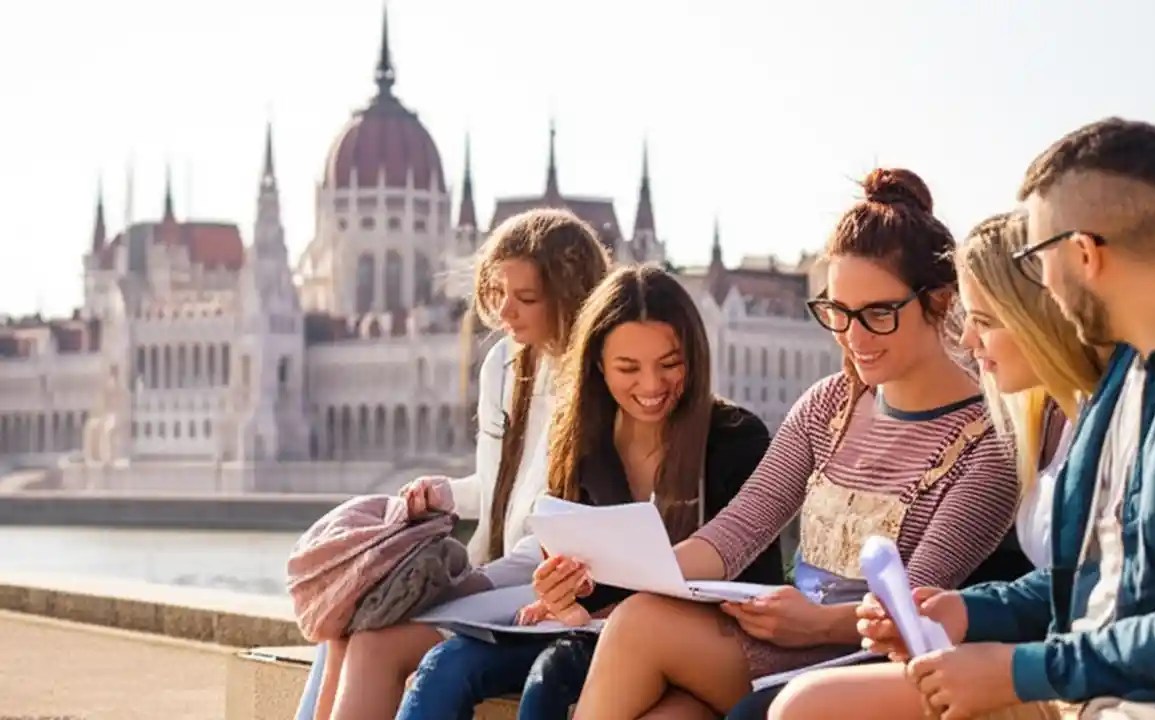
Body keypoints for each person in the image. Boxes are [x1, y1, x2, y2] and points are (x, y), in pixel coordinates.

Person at [558, 168, 1022, 719]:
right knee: (654, 670)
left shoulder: (987, 441)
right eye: (837, 313)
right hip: (779, 645)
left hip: (867, 667)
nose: (854, 338)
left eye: (878, 314)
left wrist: (816, 623)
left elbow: (919, 600)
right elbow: (737, 531)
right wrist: (601, 572)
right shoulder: (830, 403)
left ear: (940, 301)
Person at [860, 118, 1155, 720]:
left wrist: (1021, 671)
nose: (1042, 287)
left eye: (1037, 256)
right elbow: (1095, 579)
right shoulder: (1130, 377)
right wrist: (968, 611)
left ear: (1084, 253)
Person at [393, 264, 785, 720]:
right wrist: (558, 592)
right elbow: (575, 575)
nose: (652, 386)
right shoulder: (580, 437)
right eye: (628, 368)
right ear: (598, 364)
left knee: (553, 675)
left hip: (700, 644)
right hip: (586, 630)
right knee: (447, 663)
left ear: (694, 358)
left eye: (670, 364)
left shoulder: (736, 438)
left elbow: (755, 584)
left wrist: (604, 613)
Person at [765, 210, 1105, 719]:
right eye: (839, 311)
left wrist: (1008, 658)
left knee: (801, 706)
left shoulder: (1021, 430)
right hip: (1050, 661)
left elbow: (1119, 592)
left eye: (984, 320)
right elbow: (1068, 583)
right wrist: (967, 610)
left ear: (1038, 316)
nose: (967, 338)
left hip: (1078, 677)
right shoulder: (1038, 415)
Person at [300, 208, 610, 720]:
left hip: (544, 589)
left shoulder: (595, 379)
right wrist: (445, 494)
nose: (506, 312)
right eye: (498, 293)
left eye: (526, 298)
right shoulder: (503, 365)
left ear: (570, 296)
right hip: (496, 571)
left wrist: (472, 581)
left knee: (375, 639)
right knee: (345, 625)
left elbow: (560, 523)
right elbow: (496, 491)